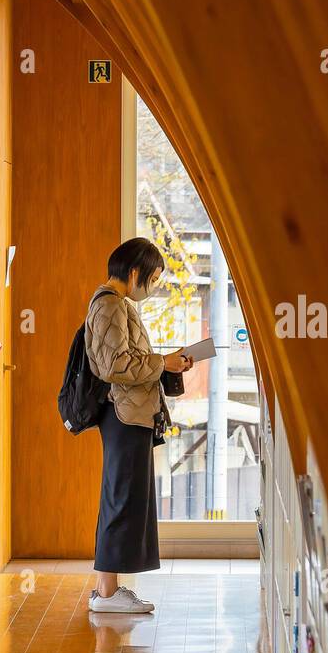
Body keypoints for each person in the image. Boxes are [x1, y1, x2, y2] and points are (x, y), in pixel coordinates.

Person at [84, 237, 193, 613]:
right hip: (125, 414)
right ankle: (108, 593)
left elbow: (125, 360)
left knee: (122, 497)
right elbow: (116, 366)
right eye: (154, 278)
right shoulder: (111, 306)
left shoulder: (113, 304)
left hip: (128, 413)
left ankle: (107, 589)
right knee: (121, 499)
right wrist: (163, 363)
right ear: (135, 273)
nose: (154, 286)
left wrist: (166, 363)